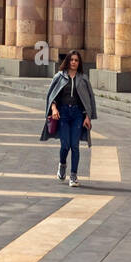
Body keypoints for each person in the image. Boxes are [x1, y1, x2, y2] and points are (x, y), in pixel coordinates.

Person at [45, 50, 97, 188]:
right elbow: (52, 96)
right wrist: (54, 109)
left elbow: (88, 99)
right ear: (68, 61)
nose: (74, 62)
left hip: (77, 115)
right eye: (72, 60)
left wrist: (87, 116)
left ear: (79, 63)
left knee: (75, 146)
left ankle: (73, 176)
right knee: (65, 145)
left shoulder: (83, 79)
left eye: (76, 60)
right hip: (63, 114)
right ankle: (62, 164)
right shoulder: (59, 77)